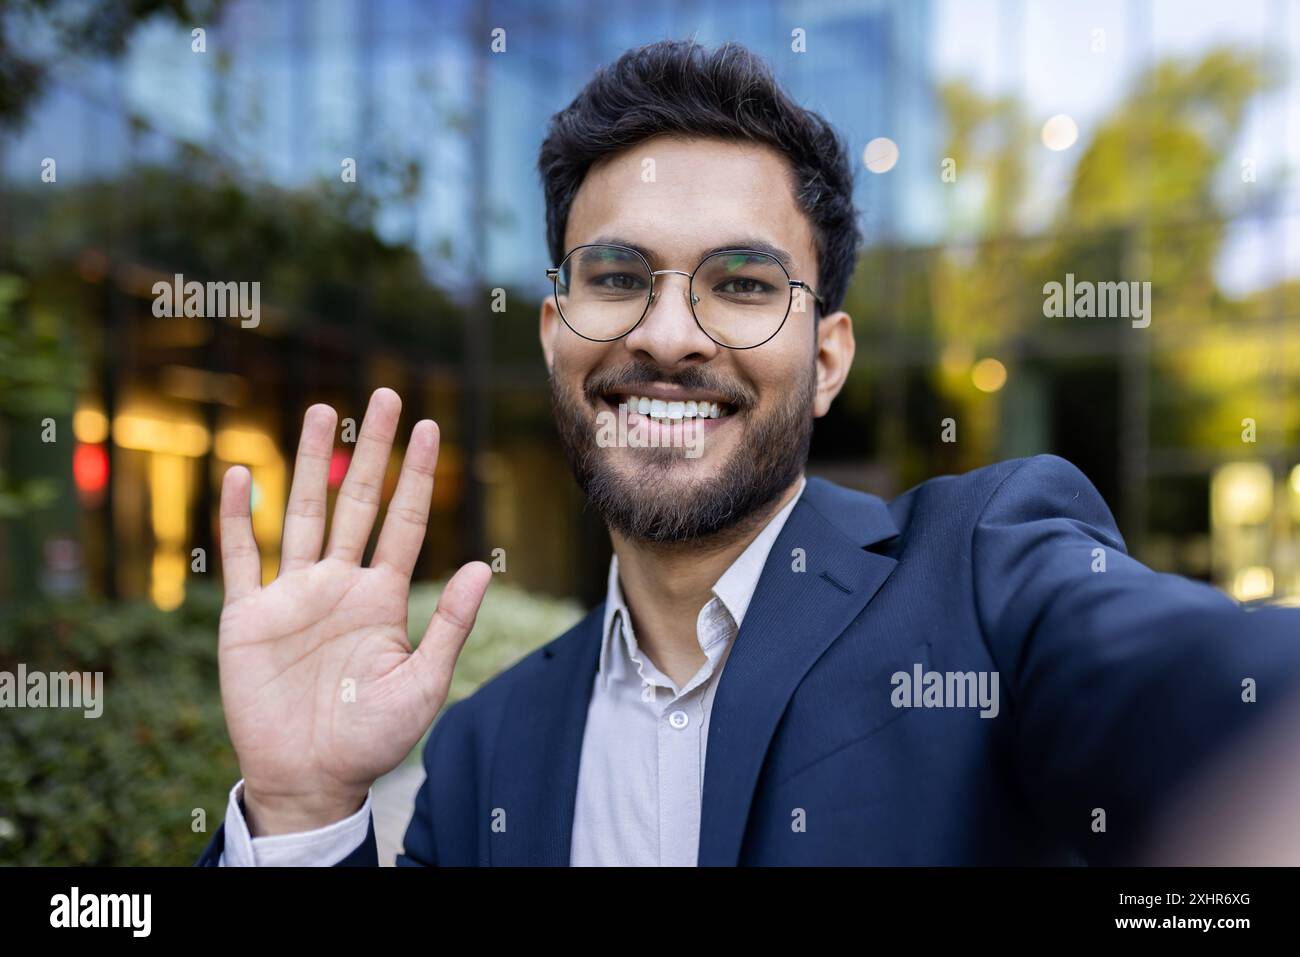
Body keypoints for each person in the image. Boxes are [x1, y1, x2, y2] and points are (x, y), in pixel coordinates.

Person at [198, 40, 1300, 867]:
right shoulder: (487, 750)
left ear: (826, 359)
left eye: (741, 284)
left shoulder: (987, 583)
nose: (667, 336)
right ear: (554, 335)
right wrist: (299, 812)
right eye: (618, 277)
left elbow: (1229, 704)